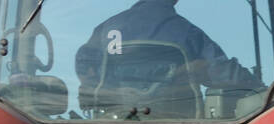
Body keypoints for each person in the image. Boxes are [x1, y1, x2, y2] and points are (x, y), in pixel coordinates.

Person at [75, 0, 260, 110]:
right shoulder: (187, 32)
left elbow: (86, 69)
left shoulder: (106, 29)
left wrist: (113, 93)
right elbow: (223, 72)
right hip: (178, 122)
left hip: (113, 122)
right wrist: (260, 87)